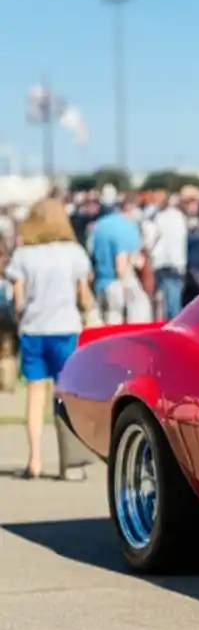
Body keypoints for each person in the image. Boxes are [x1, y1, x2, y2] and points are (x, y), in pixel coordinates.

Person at [5, 198, 94, 480]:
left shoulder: (24, 255)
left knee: (34, 395)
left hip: (33, 329)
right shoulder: (73, 253)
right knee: (65, 396)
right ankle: (71, 465)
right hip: (65, 328)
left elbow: (17, 301)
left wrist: (22, 317)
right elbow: (84, 295)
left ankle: (35, 461)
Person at [88, 198, 151, 325]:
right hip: (120, 283)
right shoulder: (128, 227)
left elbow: (91, 255)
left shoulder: (97, 227)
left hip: (101, 282)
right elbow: (124, 263)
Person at [151, 193, 189, 320]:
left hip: (161, 262)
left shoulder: (159, 217)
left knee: (163, 298)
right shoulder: (180, 218)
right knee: (174, 300)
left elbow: (152, 238)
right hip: (176, 263)